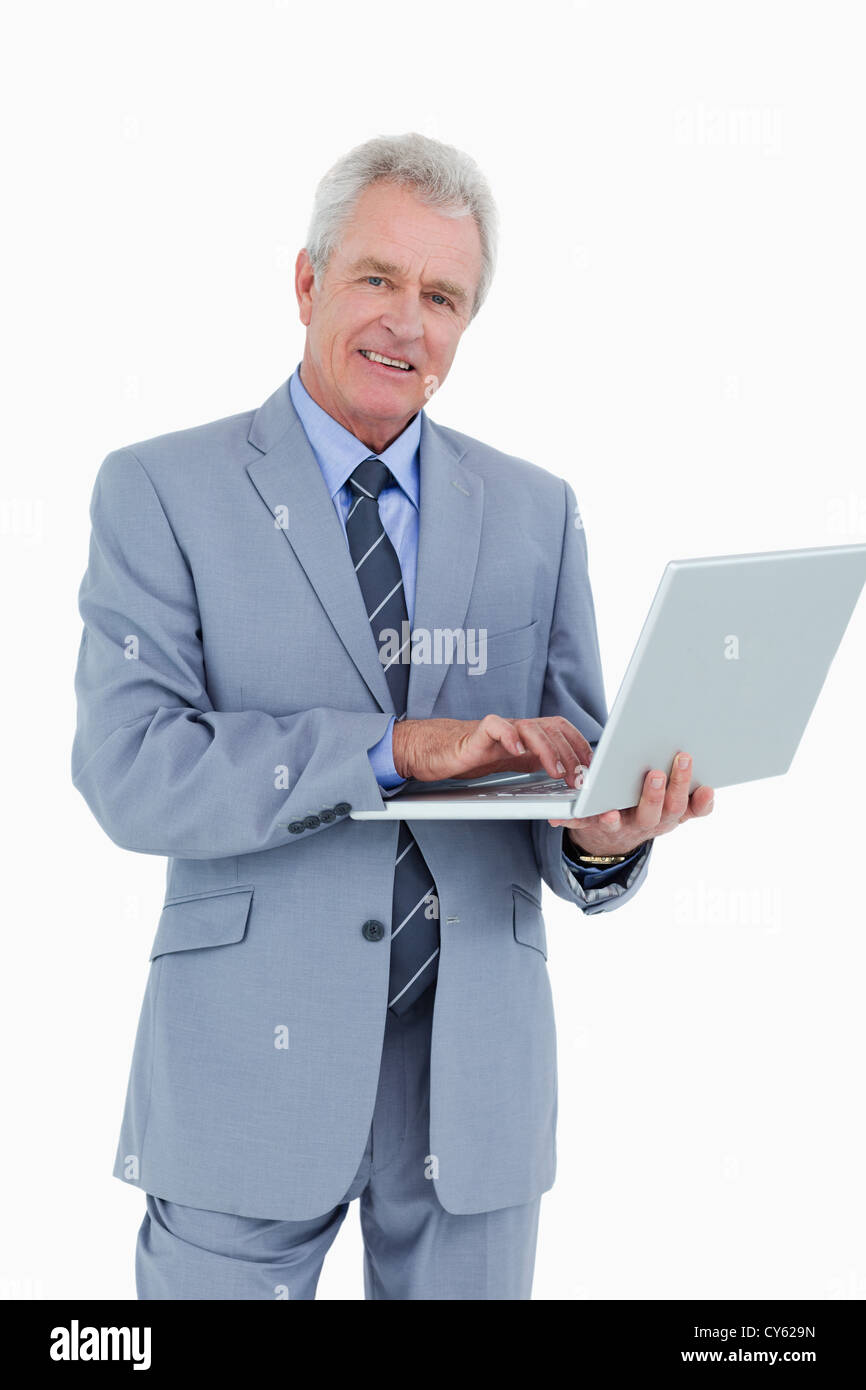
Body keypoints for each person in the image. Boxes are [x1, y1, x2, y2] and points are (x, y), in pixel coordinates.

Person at [72, 131, 714, 1301]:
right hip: (244, 1073)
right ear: (308, 280)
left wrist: (599, 837)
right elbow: (130, 769)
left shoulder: (533, 508)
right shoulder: (161, 489)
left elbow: (568, 774)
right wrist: (382, 751)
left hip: (472, 1094)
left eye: (442, 296)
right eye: (376, 278)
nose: (405, 323)